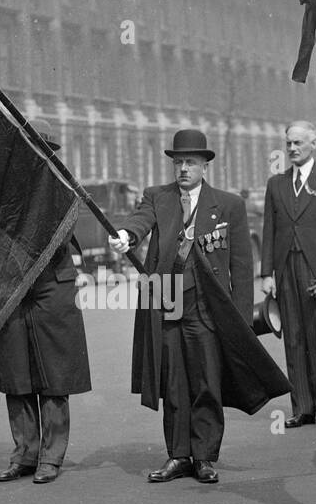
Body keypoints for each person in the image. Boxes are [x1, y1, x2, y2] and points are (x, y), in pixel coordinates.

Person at [109, 128, 287, 484]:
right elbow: (141, 221)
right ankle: (178, 456)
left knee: (207, 380)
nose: (183, 169)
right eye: (178, 162)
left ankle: (204, 456)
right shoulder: (156, 197)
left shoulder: (229, 204)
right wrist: (127, 235)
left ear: (205, 166)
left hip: (209, 307)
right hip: (168, 300)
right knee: (174, 381)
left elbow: (239, 265)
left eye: (190, 162)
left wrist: (238, 321)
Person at [0, 120, 91, 486]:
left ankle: (51, 456)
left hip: (52, 286)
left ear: (49, 150)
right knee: (16, 372)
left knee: (54, 374)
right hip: (12, 287)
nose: (31, 152)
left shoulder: (61, 186)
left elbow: (59, 231)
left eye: (39, 146)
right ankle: (25, 454)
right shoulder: (3, 188)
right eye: (25, 145)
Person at [260, 120, 316, 429]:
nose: (291, 148)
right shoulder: (276, 184)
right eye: (288, 143)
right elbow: (269, 230)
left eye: (297, 143)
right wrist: (267, 273)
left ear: (313, 145)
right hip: (286, 268)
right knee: (293, 337)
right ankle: (302, 407)